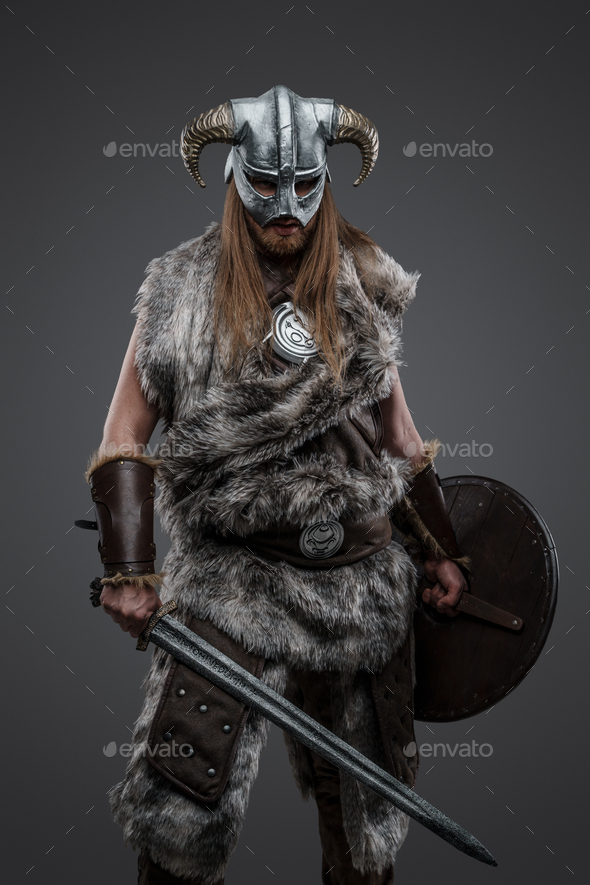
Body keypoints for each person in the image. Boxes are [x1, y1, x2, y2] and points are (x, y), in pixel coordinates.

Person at [86, 86, 469, 885]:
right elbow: (124, 436)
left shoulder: (361, 281)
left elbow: (399, 440)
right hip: (233, 582)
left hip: (357, 580)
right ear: (234, 177)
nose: (287, 207)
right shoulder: (179, 292)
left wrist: (441, 553)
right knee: (182, 810)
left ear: (326, 179)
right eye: (267, 186)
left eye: (305, 185)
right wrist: (128, 570)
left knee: (363, 822)